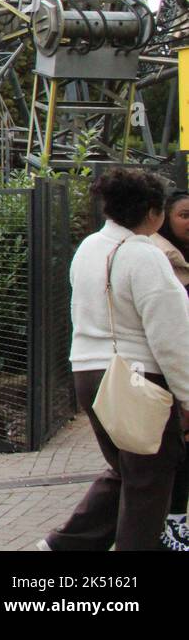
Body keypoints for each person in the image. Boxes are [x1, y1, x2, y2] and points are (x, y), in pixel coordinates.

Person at [40, 168, 189, 551]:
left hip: (87, 373)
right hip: (136, 376)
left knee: (126, 470)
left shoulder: (89, 248)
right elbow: (172, 338)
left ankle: (63, 546)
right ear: (154, 212)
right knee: (150, 477)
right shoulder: (145, 255)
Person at [149, 188, 189, 550]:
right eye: (184, 215)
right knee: (176, 447)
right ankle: (172, 520)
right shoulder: (161, 256)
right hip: (173, 366)